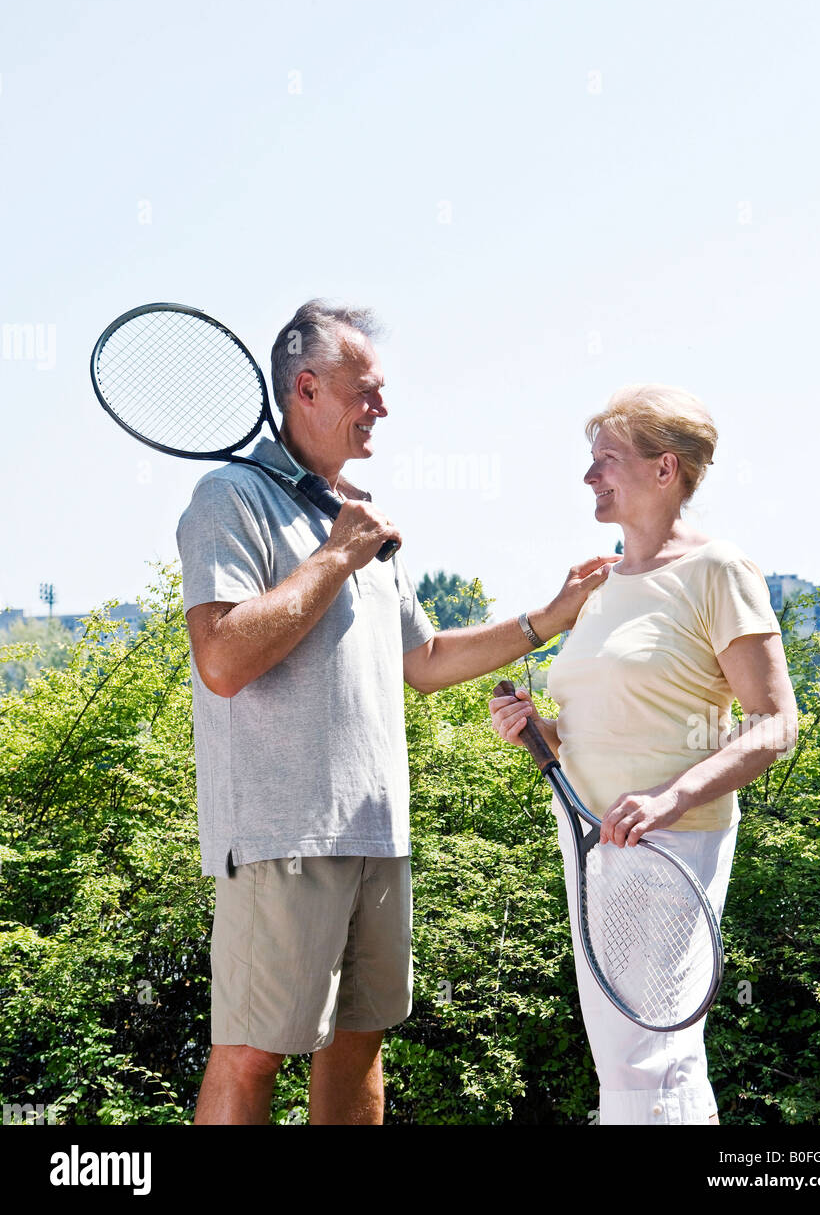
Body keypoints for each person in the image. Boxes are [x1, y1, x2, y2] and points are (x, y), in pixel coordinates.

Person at [177, 299, 617, 1125]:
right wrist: (339, 554)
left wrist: (546, 620)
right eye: (366, 391)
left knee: (360, 1046)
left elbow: (424, 660)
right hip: (282, 837)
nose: (382, 408)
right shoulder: (228, 498)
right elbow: (225, 659)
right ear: (306, 388)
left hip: (376, 832)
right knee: (249, 1056)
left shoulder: (356, 515)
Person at [489, 383, 798, 1126]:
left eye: (606, 461)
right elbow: (595, 728)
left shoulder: (718, 571)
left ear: (666, 470)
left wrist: (671, 798)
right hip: (590, 838)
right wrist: (539, 731)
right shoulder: (595, 587)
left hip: (672, 840)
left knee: (652, 1057)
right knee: (621, 1055)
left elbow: (776, 722)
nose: (589, 477)